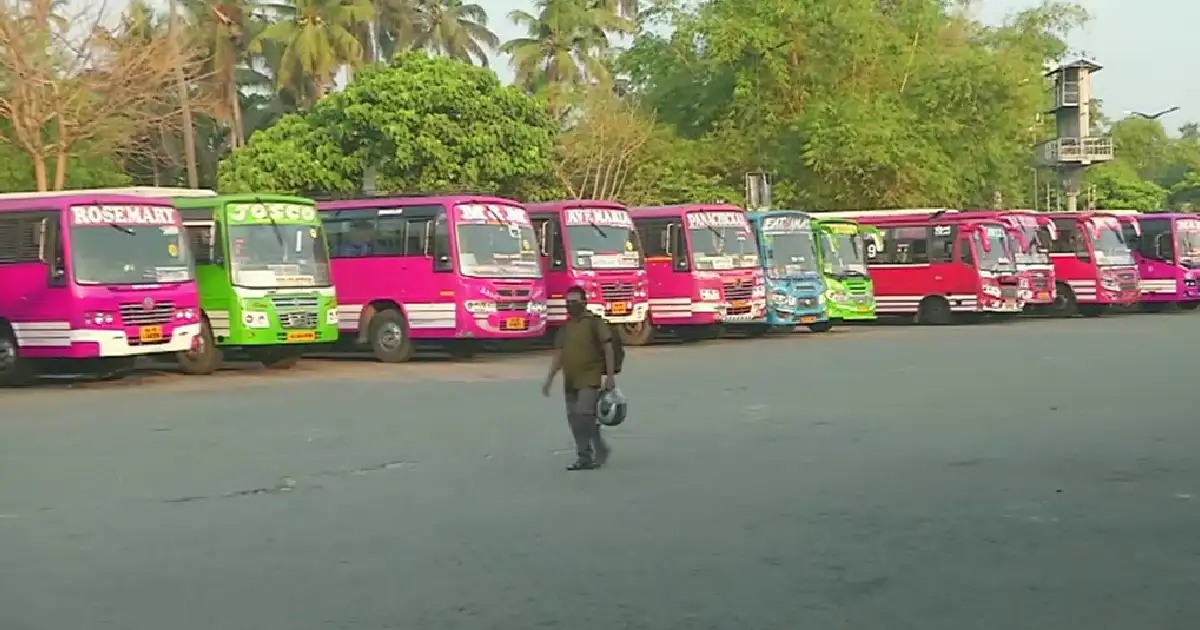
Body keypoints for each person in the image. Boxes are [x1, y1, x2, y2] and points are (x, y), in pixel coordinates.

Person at [542, 285, 616, 471]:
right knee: (575, 420)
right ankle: (584, 456)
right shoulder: (566, 327)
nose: (570, 305)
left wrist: (610, 376)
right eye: (568, 302)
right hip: (571, 379)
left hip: (590, 377)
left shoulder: (594, 322)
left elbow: (608, 348)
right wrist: (549, 379)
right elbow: (559, 354)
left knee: (584, 414)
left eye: (574, 301)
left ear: (584, 301)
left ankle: (598, 446)